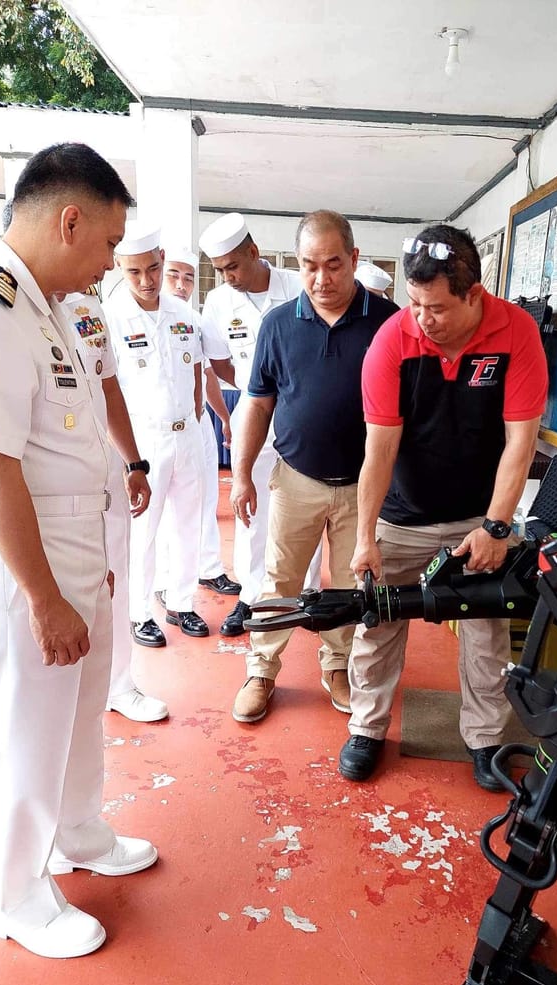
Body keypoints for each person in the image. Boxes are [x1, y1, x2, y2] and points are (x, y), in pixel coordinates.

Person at [0, 143, 158, 959]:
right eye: (105, 243)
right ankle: (17, 895)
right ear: (69, 220)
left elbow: (73, 441)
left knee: (76, 711)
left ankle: (79, 833)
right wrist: (44, 594)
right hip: (17, 565)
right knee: (22, 725)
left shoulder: (49, 304)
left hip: (68, 545)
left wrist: (83, 562)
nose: (108, 262)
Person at [339, 224, 548, 787]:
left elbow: (520, 443)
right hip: (403, 516)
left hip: (476, 518)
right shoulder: (392, 340)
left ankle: (485, 739)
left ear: (474, 293)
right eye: (413, 303)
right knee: (378, 621)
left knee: (485, 631)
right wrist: (364, 538)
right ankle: (367, 727)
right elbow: (378, 451)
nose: (421, 318)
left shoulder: (517, 332)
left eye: (435, 307)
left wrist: (497, 528)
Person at [230, 209, 398, 723]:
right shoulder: (278, 325)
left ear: (354, 259)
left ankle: (338, 664)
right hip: (296, 480)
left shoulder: (388, 321)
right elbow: (257, 403)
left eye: (332, 265)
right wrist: (240, 475)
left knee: (351, 584)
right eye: (308, 266)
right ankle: (261, 670)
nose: (321, 279)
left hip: (362, 488)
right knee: (279, 581)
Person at [198, 213, 321, 637]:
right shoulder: (218, 303)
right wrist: (258, 389)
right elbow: (218, 362)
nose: (227, 276)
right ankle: (252, 595)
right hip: (254, 416)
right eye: (219, 270)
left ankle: (308, 598)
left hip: (303, 415)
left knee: (310, 503)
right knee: (250, 508)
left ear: (254, 252)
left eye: (233, 265)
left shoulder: (298, 286)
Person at [58, 289, 168, 722]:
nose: (106, 265)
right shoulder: (5, 305)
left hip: (101, 470)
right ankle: (75, 689)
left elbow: (107, 388)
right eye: (105, 245)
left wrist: (133, 461)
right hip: (48, 485)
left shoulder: (89, 310)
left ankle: (120, 684)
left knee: (116, 576)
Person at [105, 225, 209, 648]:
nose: (147, 280)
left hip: (187, 434)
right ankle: (138, 612)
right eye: (134, 272)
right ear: (120, 268)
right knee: (143, 532)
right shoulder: (111, 318)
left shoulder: (183, 313)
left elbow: (198, 372)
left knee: (189, 524)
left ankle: (181, 602)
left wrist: (197, 419)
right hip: (143, 440)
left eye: (153, 268)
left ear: (163, 258)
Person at [161, 248, 240, 597]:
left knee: (206, 499)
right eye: (174, 275)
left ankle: (209, 568)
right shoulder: (140, 316)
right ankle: (165, 582)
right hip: (160, 429)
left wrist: (224, 418)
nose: (181, 284)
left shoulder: (193, 319)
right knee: (166, 510)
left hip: (199, 425)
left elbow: (208, 375)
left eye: (189, 277)